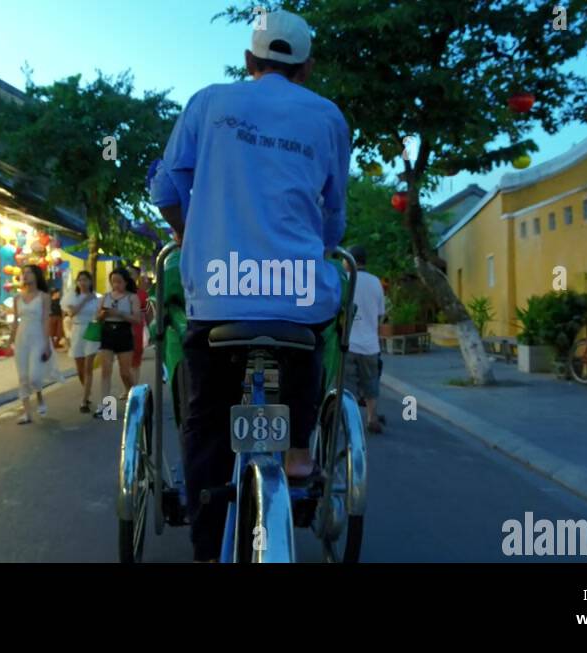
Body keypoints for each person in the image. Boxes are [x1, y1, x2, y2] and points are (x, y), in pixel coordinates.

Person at [149, 10, 350, 562]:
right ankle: (299, 451)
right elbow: (334, 221)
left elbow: (167, 186)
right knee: (306, 353)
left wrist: (190, 232)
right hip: (296, 295)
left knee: (207, 414)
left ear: (248, 61)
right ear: (306, 67)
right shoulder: (329, 117)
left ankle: (207, 544)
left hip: (217, 294)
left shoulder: (208, 102)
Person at [343, 245, 386, 433]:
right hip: (370, 345)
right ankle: (371, 418)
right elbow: (380, 315)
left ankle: (349, 423)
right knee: (371, 384)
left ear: (349, 260)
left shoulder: (345, 279)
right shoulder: (376, 282)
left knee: (347, 387)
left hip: (348, 343)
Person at [93, 268, 141, 418]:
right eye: (113, 281)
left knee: (125, 371)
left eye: (119, 281)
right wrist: (102, 314)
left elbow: (137, 319)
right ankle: (107, 407)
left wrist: (120, 313)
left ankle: (134, 396)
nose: (116, 285)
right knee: (106, 370)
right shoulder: (105, 297)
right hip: (107, 331)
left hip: (124, 332)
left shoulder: (132, 297)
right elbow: (97, 317)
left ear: (126, 282)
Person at [11, 264, 55, 424]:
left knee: (34, 376)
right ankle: (27, 412)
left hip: (38, 337)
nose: (26, 275)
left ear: (36, 276)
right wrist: (10, 340)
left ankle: (39, 395)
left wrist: (46, 344)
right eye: (24, 273)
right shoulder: (17, 298)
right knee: (23, 376)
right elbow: (15, 321)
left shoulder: (44, 297)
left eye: (29, 272)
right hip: (22, 338)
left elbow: (45, 320)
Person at [67, 270, 100, 413]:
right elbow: (71, 313)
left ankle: (84, 399)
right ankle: (87, 391)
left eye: (85, 279)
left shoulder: (97, 298)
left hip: (90, 331)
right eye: (80, 280)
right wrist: (85, 300)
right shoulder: (71, 297)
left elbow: (99, 315)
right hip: (77, 331)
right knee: (79, 369)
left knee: (88, 368)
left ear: (90, 281)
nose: (82, 282)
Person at [128, 265, 152, 385]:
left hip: (137, 331)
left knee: (135, 362)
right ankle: (128, 387)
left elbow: (148, 314)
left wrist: (152, 330)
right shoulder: (117, 294)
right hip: (121, 332)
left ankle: (133, 388)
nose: (129, 276)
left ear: (137, 276)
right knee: (125, 362)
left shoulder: (143, 295)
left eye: (131, 273)